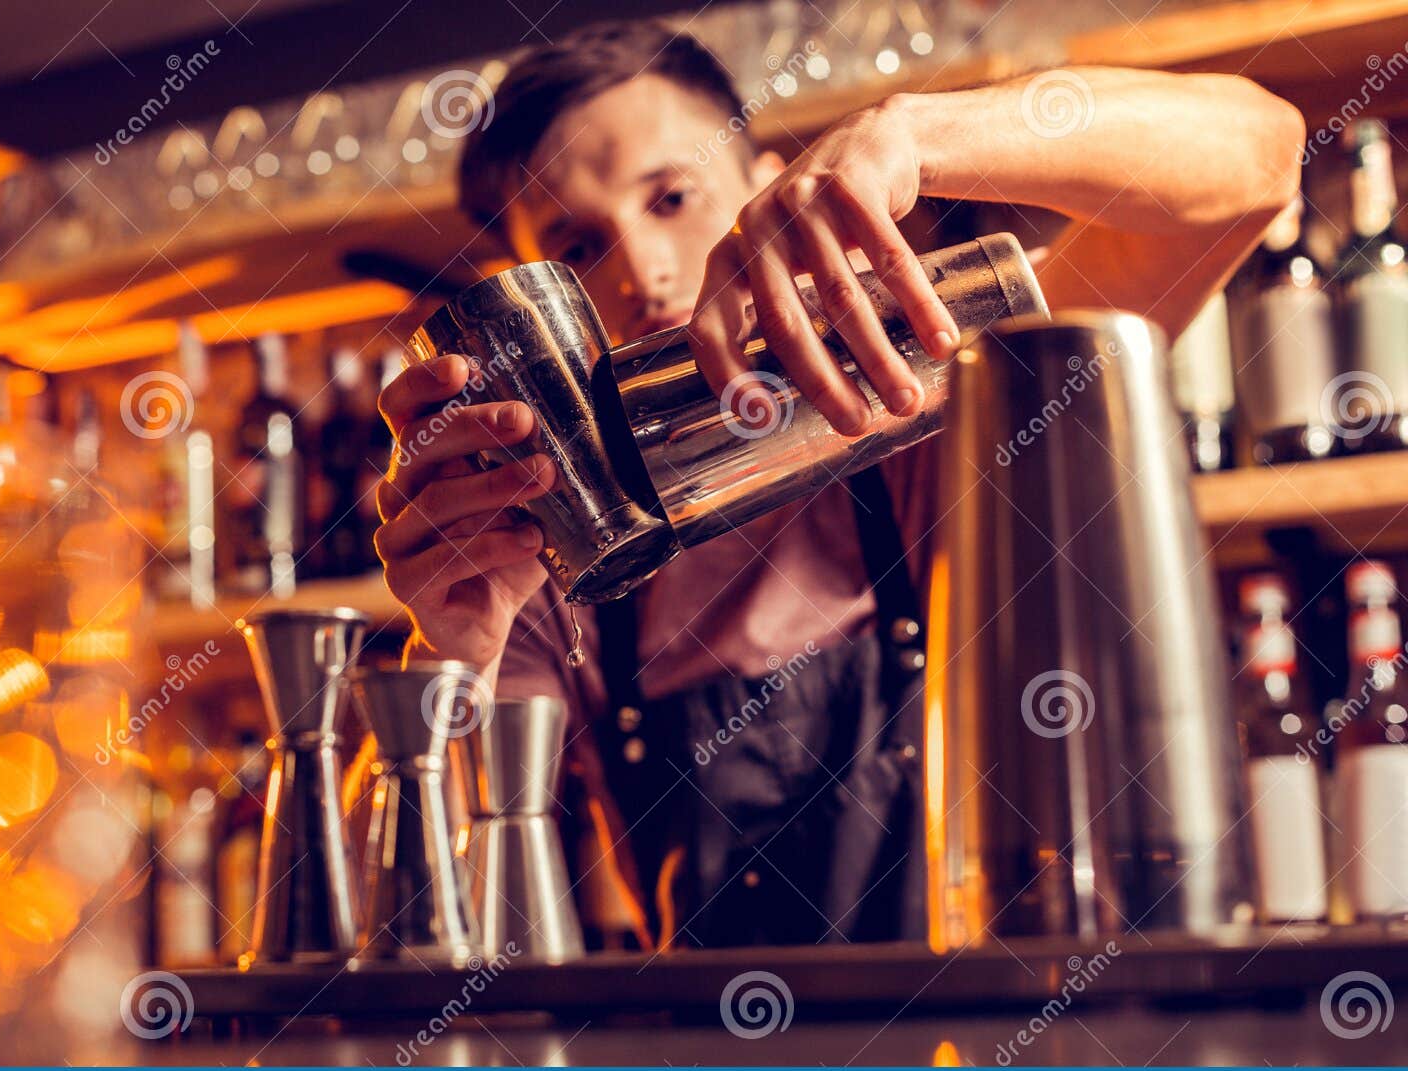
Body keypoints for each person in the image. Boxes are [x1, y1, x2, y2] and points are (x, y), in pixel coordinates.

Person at [371, 22, 1302, 949]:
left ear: (760, 182)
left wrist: (910, 138)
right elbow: (423, 936)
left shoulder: (930, 398)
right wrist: (452, 657)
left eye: (672, 197)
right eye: (578, 247)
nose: (644, 271)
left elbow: (1258, 159)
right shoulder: (548, 554)